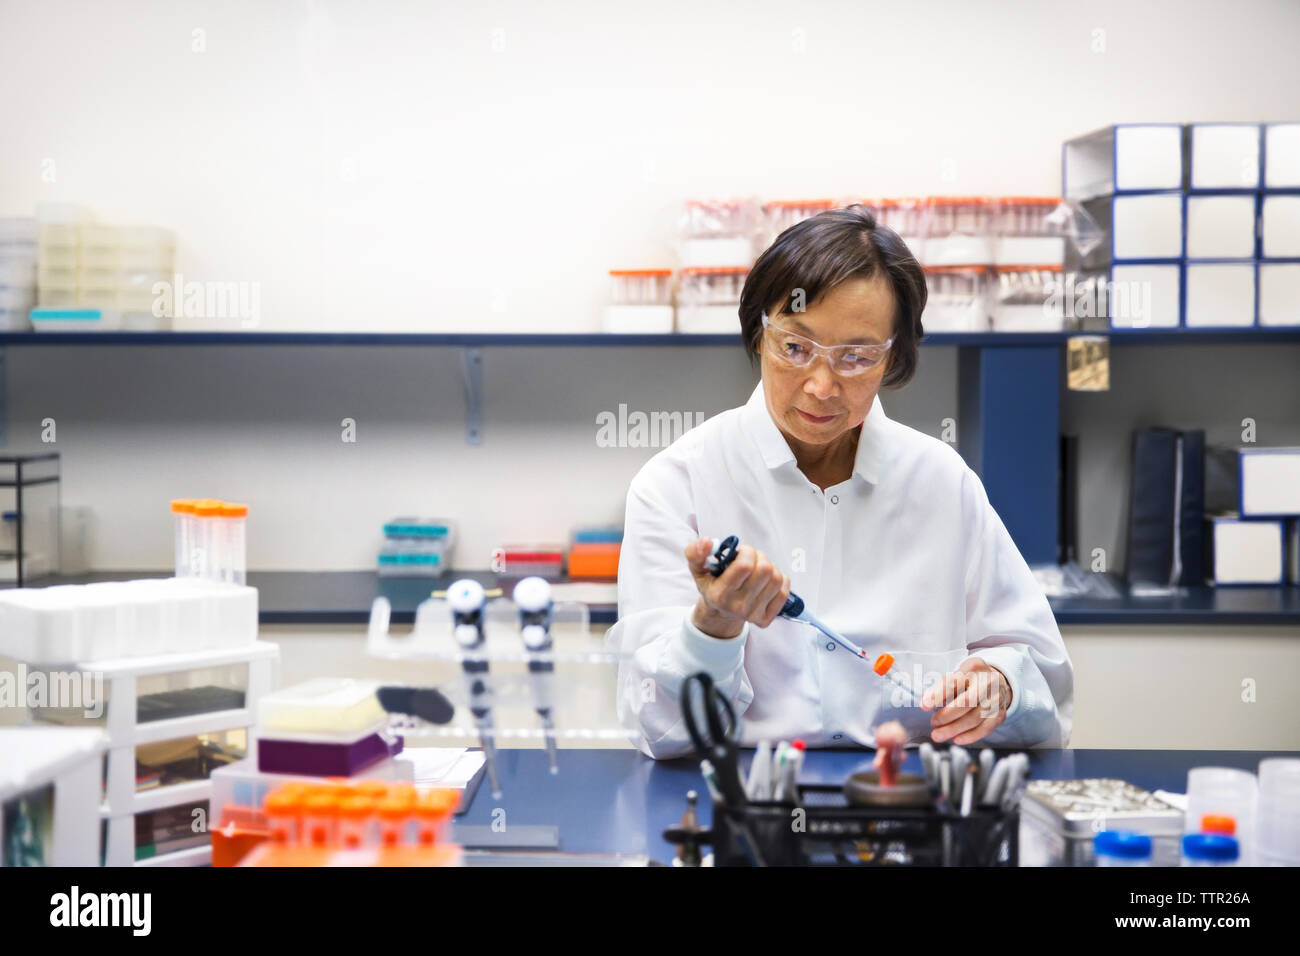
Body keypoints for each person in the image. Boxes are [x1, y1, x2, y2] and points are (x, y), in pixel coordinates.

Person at [605, 204, 1073, 759]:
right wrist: (714, 624)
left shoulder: (942, 483)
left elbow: (1044, 682)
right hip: (741, 802)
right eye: (796, 348)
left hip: (906, 803)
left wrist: (1000, 684)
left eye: (856, 357)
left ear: (892, 359)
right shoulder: (676, 484)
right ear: (760, 334)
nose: (822, 386)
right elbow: (658, 730)